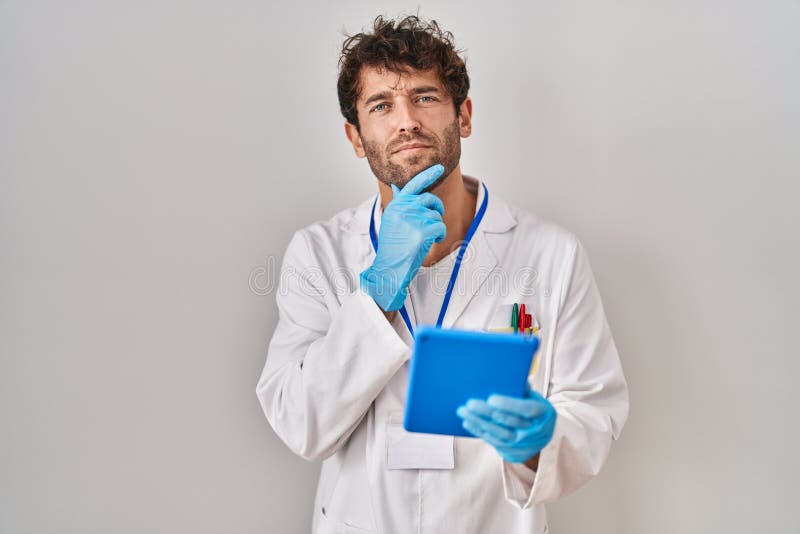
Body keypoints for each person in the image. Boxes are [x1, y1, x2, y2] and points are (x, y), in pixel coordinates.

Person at [256, 15, 628, 534]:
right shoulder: (317, 253)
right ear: (356, 137)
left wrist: (544, 441)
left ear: (465, 116)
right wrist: (378, 288)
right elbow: (302, 426)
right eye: (381, 105)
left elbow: (594, 410)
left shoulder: (551, 253)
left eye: (425, 97)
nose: (406, 121)